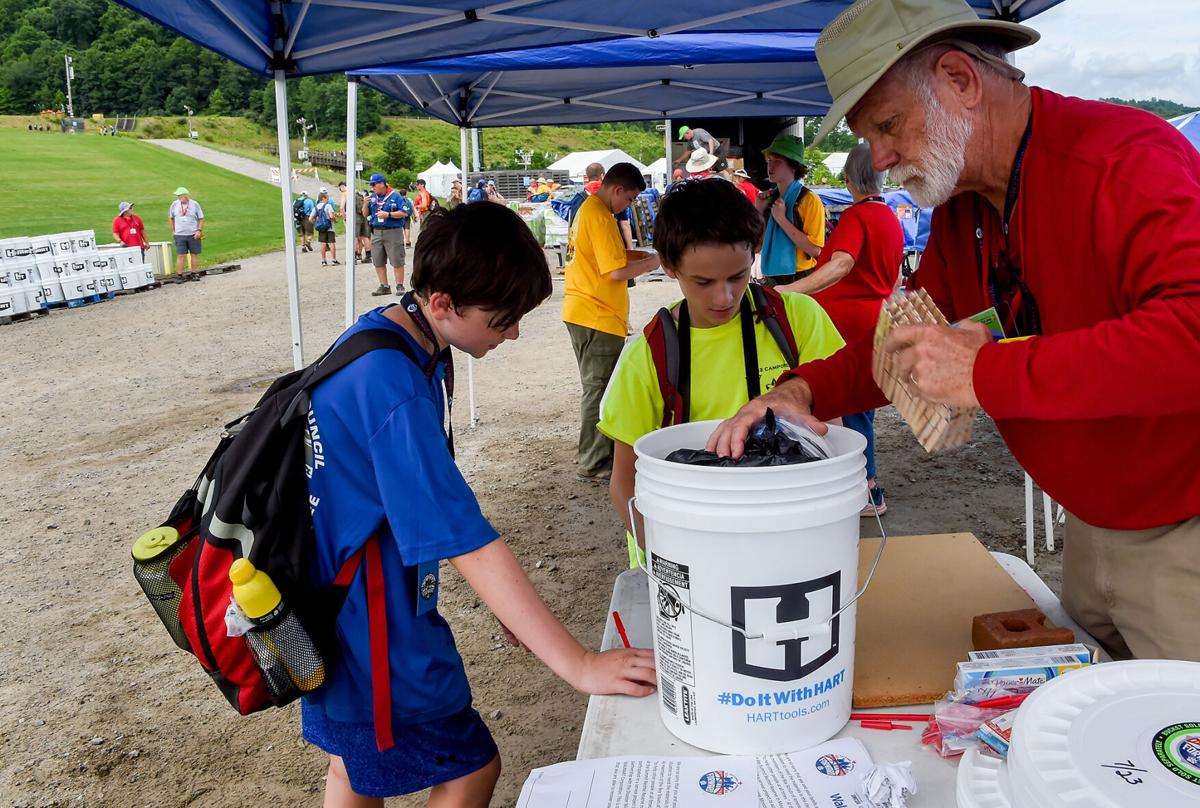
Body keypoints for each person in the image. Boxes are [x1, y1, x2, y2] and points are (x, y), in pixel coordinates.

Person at [708, 0, 1200, 663]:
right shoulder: (965, 209)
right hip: (1090, 524)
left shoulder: (1123, 159)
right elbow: (911, 348)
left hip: (1182, 529)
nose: (879, 160)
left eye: (887, 125)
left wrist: (987, 372)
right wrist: (804, 390)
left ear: (960, 81)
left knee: (1173, 747)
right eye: (867, 136)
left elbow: (1189, 335)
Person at [302, 202, 656, 807]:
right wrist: (579, 665)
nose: (512, 333)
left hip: (334, 599)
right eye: (501, 319)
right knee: (471, 767)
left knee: (353, 766)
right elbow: (467, 540)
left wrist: (509, 609)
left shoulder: (396, 334)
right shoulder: (393, 386)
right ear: (442, 302)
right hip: (371, 620)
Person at [600, 179, 845, 567]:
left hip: (787, 540)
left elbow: (832, 435)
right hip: (685, 551)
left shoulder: (798, 319)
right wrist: (677, 564)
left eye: (737, 276)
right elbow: (625, 484)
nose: (724, 297)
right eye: (703, 282)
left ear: (755, 252)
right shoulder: (649, 355)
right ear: (668, 266)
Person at [779, 143, 904, 516]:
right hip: (874, 317)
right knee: (861, 408)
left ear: (848, 180)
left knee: (850, 408)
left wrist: (787, 292)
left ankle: (866, 488)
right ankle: (865, 483)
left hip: (847, 325)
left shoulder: (857, 217)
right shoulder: (890, 217)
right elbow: (895, 277)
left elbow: (840, 264)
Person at [562, 162, 661, 482]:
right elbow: (616, 271)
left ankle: (597, 456)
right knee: (599, 388)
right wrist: (654, 264)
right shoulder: (601, 217)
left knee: (599, 387)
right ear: (617, 190)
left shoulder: (590, 210)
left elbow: (615, 258)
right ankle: (593, 462)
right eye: (630, 199)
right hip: (597, 315)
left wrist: (645, 256)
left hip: (586, 311)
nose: (629, 206)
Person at [756, 133, 825, 288]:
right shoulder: (767, 199)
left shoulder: (809, 200)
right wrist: (757, 211)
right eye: (769, 161)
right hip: (770, 277)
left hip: (801, 278)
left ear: (794, 165)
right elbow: (756, 246)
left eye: (777, 161)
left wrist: (781, 219)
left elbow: (815, 250)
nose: (770, 167)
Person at [363, 173, 409, 297]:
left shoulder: (395, 196)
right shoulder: (372, 197)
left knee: (397, 259)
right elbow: (365, 214)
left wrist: (388, 214)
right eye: (371, 185)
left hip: (393, 231)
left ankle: (399, 285)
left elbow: (404, 212)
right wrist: (365, 204)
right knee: (378, 260)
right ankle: (384, 286)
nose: (372, 188)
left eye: (374, 185)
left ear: (382, 184)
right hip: (376, 231)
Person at [584, 162, 634, 249]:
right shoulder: (615, 196)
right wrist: (630, 249)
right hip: (611, 245)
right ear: (603, 175)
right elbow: (625, 225)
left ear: (587, 177)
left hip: (587, 249)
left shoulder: (579, 198)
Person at [168, 186, 204, 277]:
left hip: (193, 233)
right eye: (178, 196)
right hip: (180, 234)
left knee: (194, 254)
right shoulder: (174, 204)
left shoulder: (195, 204)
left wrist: (199, 230)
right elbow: (171, 217)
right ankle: (179, 275)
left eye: (180, 195)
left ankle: (194, 273)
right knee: (180, 255)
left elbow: (201, 218)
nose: (178, 197)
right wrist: (173, 230)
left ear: (186, 195)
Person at [312, 189, 341, 267]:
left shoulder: (316, 207)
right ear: (323, 198)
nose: (327, 199)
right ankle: (333, 260)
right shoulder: (328, 205)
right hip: (329, 227)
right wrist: (335, 221)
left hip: (321, 228)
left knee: (323, 243)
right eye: (327, 198)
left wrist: (316, 223)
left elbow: (310, 218)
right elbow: (331, 216)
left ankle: (323, 261)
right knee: (331, 243)